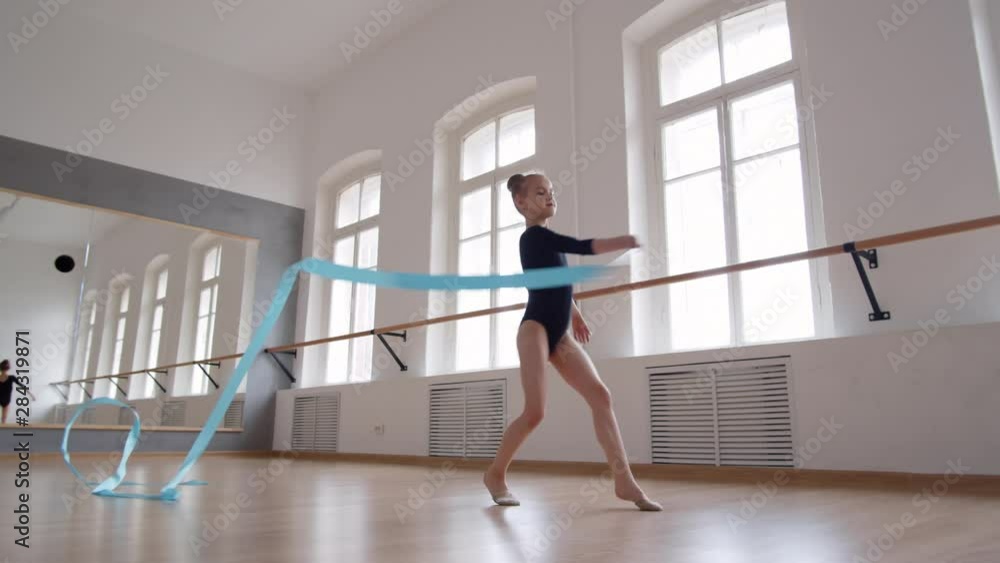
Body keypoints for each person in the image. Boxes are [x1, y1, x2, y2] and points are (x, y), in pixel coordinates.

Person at [483, 173, 662, 511]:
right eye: (540, 192)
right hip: (535, 328)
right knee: (535, 412)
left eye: (552, 191)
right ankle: (495, 474)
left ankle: (624, 481)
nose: (550, 196)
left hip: (559, 332)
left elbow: (560, 282)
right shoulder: (533, 238)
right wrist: (622, 240)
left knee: (600, 395)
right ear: (520, 202)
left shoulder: (545, 240)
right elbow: (580, 247)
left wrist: (575, 313)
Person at [0, 359, 36, 424]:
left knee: (4, 418)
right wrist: (31, 395)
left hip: (6, 400)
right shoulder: (11, 377)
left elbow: (22, 385)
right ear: (8, 368)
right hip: (6, 400)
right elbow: (22, 386)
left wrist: (31, 394)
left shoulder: (11, 378)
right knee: (4, 419)